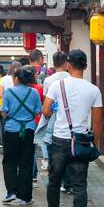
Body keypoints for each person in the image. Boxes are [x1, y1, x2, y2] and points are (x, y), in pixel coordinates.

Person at [41, 48, 102, 207]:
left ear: (68, 65)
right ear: (85, 66)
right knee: (80, 186)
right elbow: (98, 122)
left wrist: (55, 113)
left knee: (54, 180)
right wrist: (93, 141)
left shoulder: (57, 86)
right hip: (81, 142)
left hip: (60, 140)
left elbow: (45, 110)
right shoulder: (93, 90)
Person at [0, 66, 42, 206]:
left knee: (10, 161)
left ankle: (11, 192)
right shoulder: (34, 92)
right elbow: (38, 111)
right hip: (29, 129)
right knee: (26, 162)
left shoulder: (9, 92)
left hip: (12, 129)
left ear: (17, 78)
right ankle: (26, 196)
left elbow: (4, 112)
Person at [34, 51, 68, 184]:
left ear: (53, 64)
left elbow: (46, 103)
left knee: (54, 148)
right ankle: (67, 181)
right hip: (69, 119)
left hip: (53, 119)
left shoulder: (49, 80)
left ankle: (55, 176)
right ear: (67, 64)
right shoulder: (71, 78)